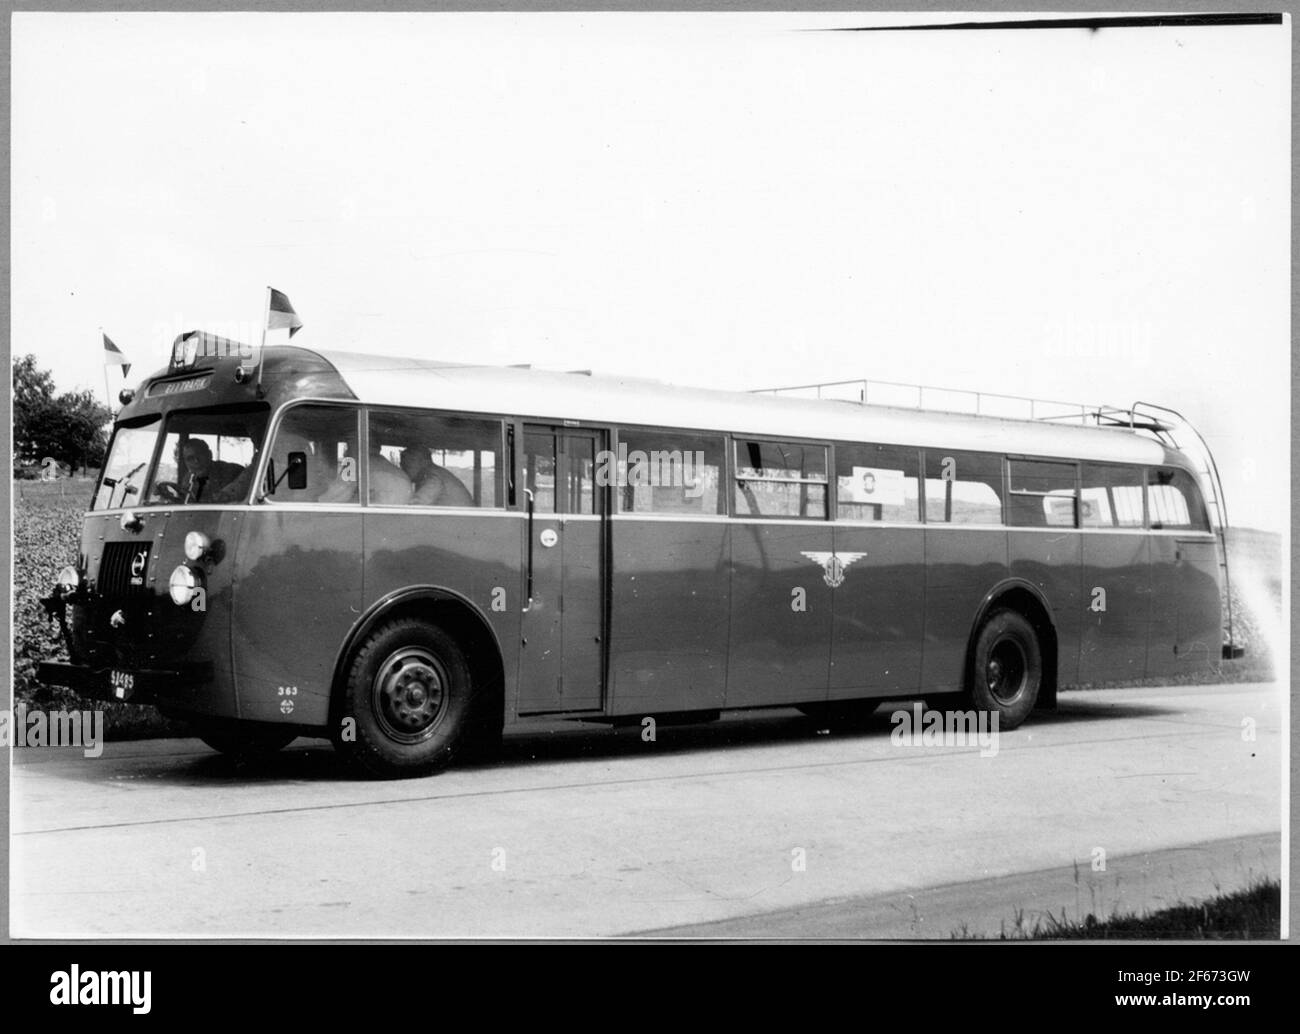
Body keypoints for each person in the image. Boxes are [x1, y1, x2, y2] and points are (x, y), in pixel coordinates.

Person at [401, 444, 474, 506]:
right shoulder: (436, 474)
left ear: (424, 462)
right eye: (402, 465)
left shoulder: (433, 477)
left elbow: (416, 505)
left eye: (407, 466)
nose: (403, 470)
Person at [178, 439, 244, 504]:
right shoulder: (188, 480)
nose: (196, 461)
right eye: (190, 458)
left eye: (200, 454)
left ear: (210, 454)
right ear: (185, 462)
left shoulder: (232, 472)